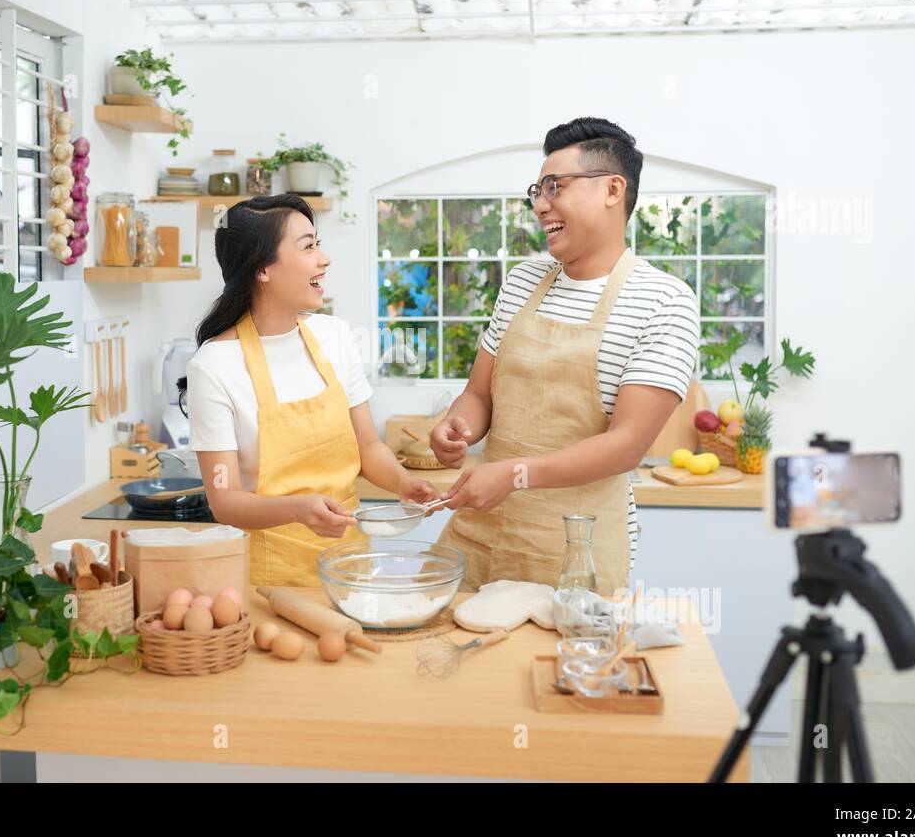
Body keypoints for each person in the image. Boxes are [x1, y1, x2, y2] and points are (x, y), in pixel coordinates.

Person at [432, 117, 700, 595]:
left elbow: (627, 445)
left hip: (577, 553)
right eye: (537, 189)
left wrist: (515, 476)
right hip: (478, 531)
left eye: (555, 186)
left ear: (612, 190)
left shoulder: (663, 301)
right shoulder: (523, 280)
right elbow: (479, 394)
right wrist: (459, 427)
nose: (540, 205)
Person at [186, 194, 438, 586]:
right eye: (308, 246)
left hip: (352, 568)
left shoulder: (334, 336)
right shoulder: (214, 367)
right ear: (263, 269)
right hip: (269, 584)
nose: (324, 258)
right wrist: (298, 509)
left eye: (317, 243)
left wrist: (402, 483)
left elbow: (368, 448)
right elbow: (225, 501)